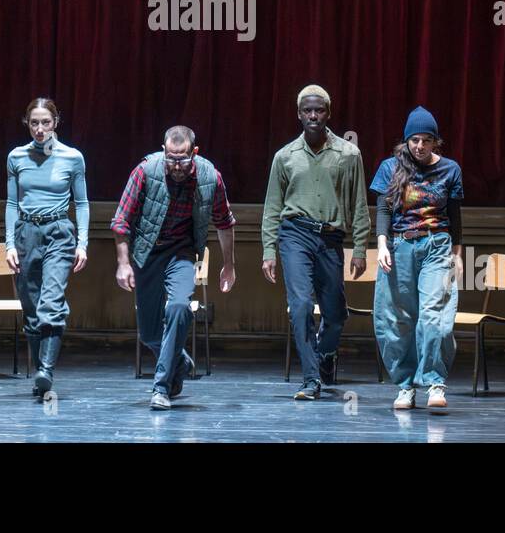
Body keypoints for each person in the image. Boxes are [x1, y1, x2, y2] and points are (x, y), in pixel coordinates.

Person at [112, 126, 237, 410]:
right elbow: (121, 222)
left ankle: (161, 386)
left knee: (178, 307)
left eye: (182, 159)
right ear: (163, 151)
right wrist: (123, 263)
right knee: (150, 334)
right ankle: (179, 360)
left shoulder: (209, 177)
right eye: (171, 158)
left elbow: (225, 222)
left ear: (194, 152)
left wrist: (229, 264)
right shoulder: (145, 172)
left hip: (181, 253)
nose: (177, 165)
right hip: (148, 253)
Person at [261, 85, 371, 400]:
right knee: (300, 306)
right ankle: (311, 379)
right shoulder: (285, 156)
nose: (313, 115)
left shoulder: (348, 154)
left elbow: (359, 204)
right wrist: (269, 250)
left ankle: (325, 353)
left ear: (328, 113)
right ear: (298, 114)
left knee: (336, 313)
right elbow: (272, 208)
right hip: (294, 233)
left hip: (330, 237)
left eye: (319, 110)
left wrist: (360, 247)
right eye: (307, 110)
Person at [371, 106, 463, 410]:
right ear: (406, 141)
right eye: (414, 141)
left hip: (437, 246)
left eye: (426, 140)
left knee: (436, 317)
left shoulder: (450, 169)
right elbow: (384, 209)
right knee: (396, 319)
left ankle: (435, 381)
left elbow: (454, 215)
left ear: (435, 141)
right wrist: (382, 245)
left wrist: (458, 254)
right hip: (399, 248)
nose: (420, 146)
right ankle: (406, 385)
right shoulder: (390, 167)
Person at [4, 98, 89, 399]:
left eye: (46, 123)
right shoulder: (16, 157)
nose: (39, 129)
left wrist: (82, 243)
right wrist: (9, 244)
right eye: (34, 123)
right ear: (26, 123)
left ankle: (47, 371)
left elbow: (81, 203)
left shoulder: (72, 158)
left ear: (56, 122)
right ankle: (40, 371)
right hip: (26, 232)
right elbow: (13, 203)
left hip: (58, 233)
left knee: (51, 301)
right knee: (30, 306)